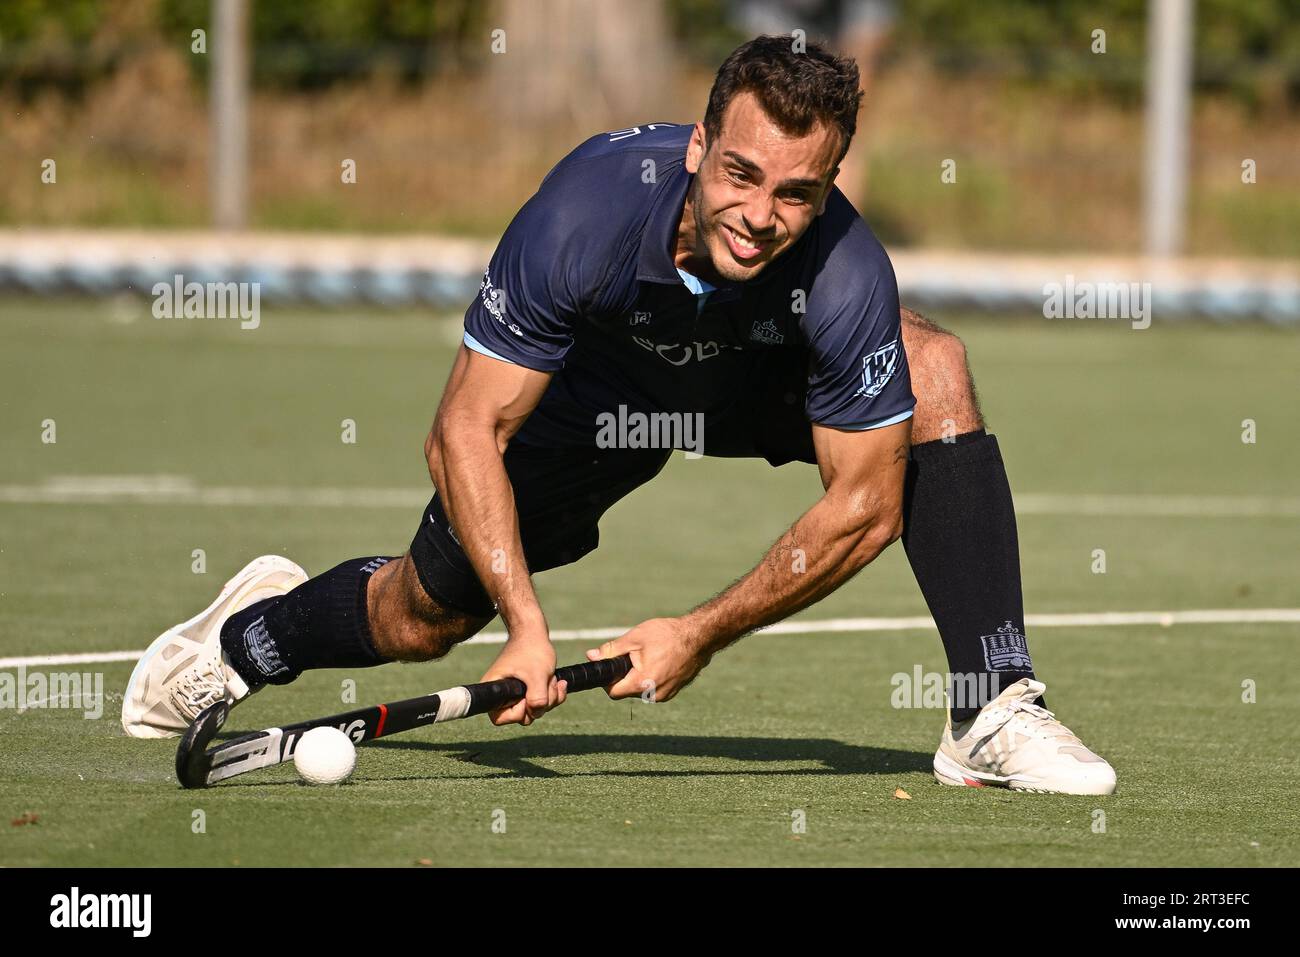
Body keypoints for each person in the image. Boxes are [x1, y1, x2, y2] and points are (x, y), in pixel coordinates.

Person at [123, 36, 1114, 796]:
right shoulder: (585, 213)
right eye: (739, 173)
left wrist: (700, 631)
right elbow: (464, 432)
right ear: (698, 146)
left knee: (933, 365)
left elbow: (866, 505)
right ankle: (253, 637)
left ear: (829, 189)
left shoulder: (846, 272)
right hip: (587, 399)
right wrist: (524, 626)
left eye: (796, 194)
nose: (759, 214)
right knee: (422, 618)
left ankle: (989, 707)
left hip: (743, 383)